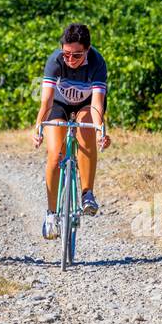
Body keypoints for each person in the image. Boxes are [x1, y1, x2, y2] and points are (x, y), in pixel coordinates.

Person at [32, 23, 111, 240]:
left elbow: (96, 104)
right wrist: (38, 127)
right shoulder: (55, 60)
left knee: (86, 132)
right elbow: (46, 101)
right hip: (58, 104)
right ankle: (50, 214)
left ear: (87, 50)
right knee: (55, 154)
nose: (70, 60)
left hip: (86, 105)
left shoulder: (97, 62)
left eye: (76, 55)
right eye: (66, 54)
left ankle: (87, 193)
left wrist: (99, 131)